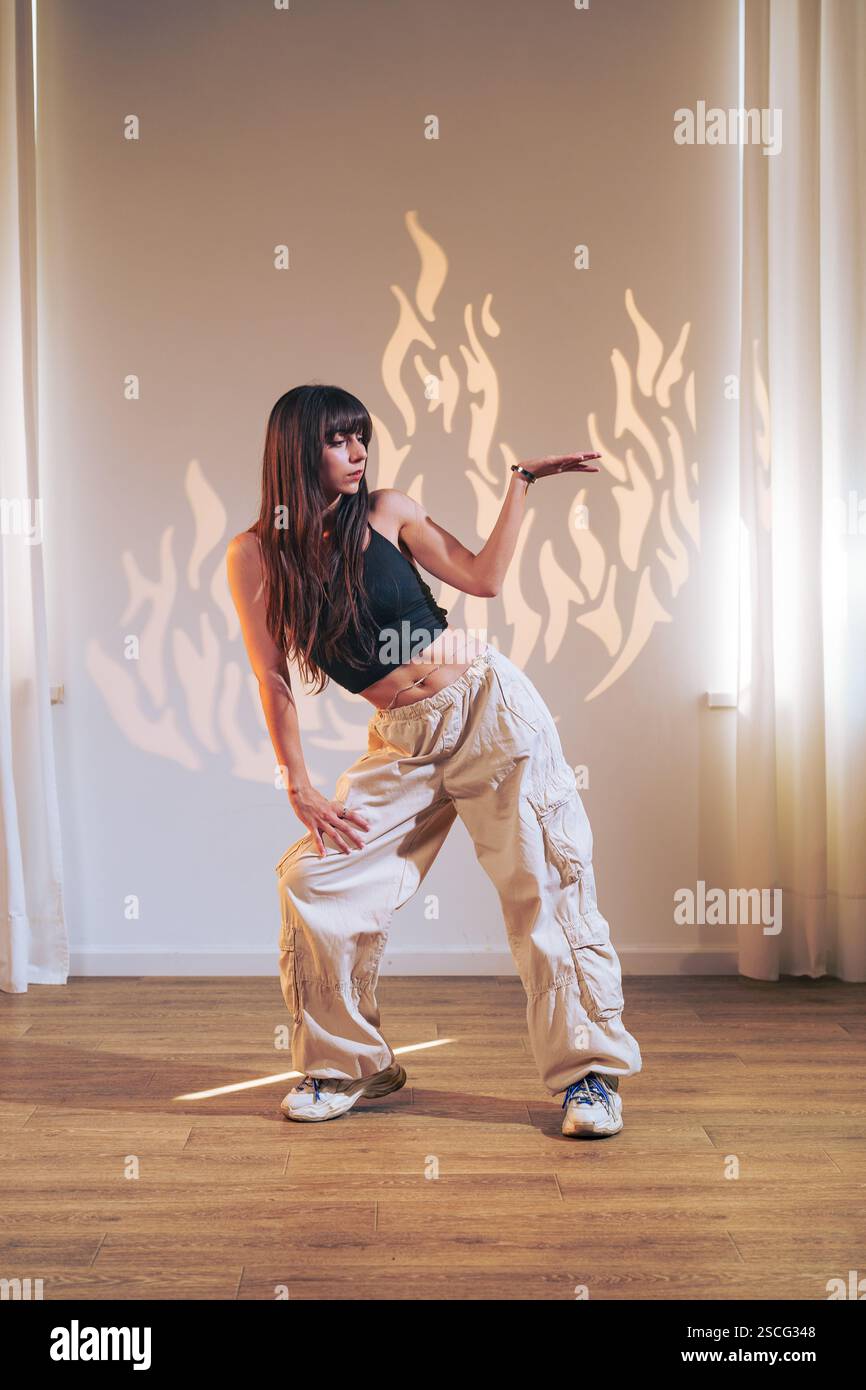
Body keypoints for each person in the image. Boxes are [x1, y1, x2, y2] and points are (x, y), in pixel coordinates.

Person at [226, 384, 642, 1138]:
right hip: (404, 737)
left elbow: (482, 578)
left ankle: (588, 1078)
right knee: (313, 877)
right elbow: (273, 676)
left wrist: (521, 483)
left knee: (542, 883)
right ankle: (350, 1064)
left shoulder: (387, 510)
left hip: (487, 707)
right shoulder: (256, 553)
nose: (357, 454)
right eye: (338, 440)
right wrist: (301, 785)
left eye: (361, 438)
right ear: (295, 449)